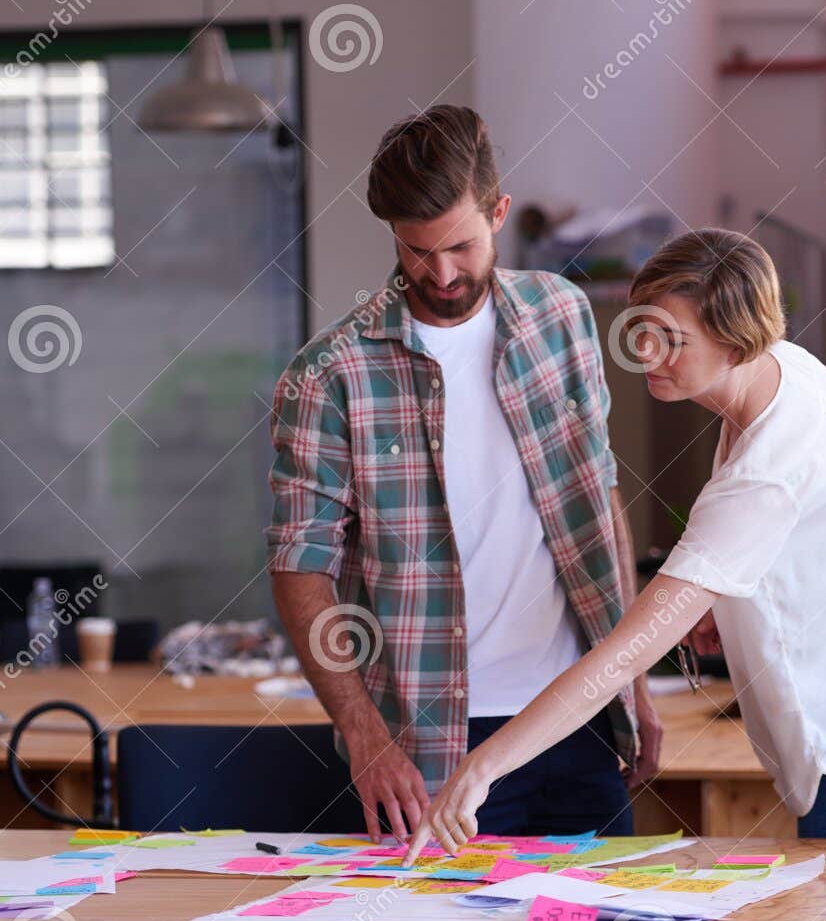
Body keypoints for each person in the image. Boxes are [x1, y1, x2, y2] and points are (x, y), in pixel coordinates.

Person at [406, 227, 826, 921]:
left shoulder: (767, 468)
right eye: (642, 329)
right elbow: (815, 548)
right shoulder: (785, 377)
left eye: (672, 339)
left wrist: (483, 766)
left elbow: (619, 657)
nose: (647, 353)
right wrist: (734, 604)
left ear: (735, 338)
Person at [266, 105, 661, 845]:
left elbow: (597, 498)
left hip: (577, 722)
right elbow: (299, 565)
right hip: (428, 750)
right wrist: (364, 734)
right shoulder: (329, 374)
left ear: (499, 213)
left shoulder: (562, 316)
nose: (441, 274)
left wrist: (631, 684)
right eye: (417, 251)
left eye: (460, 246)